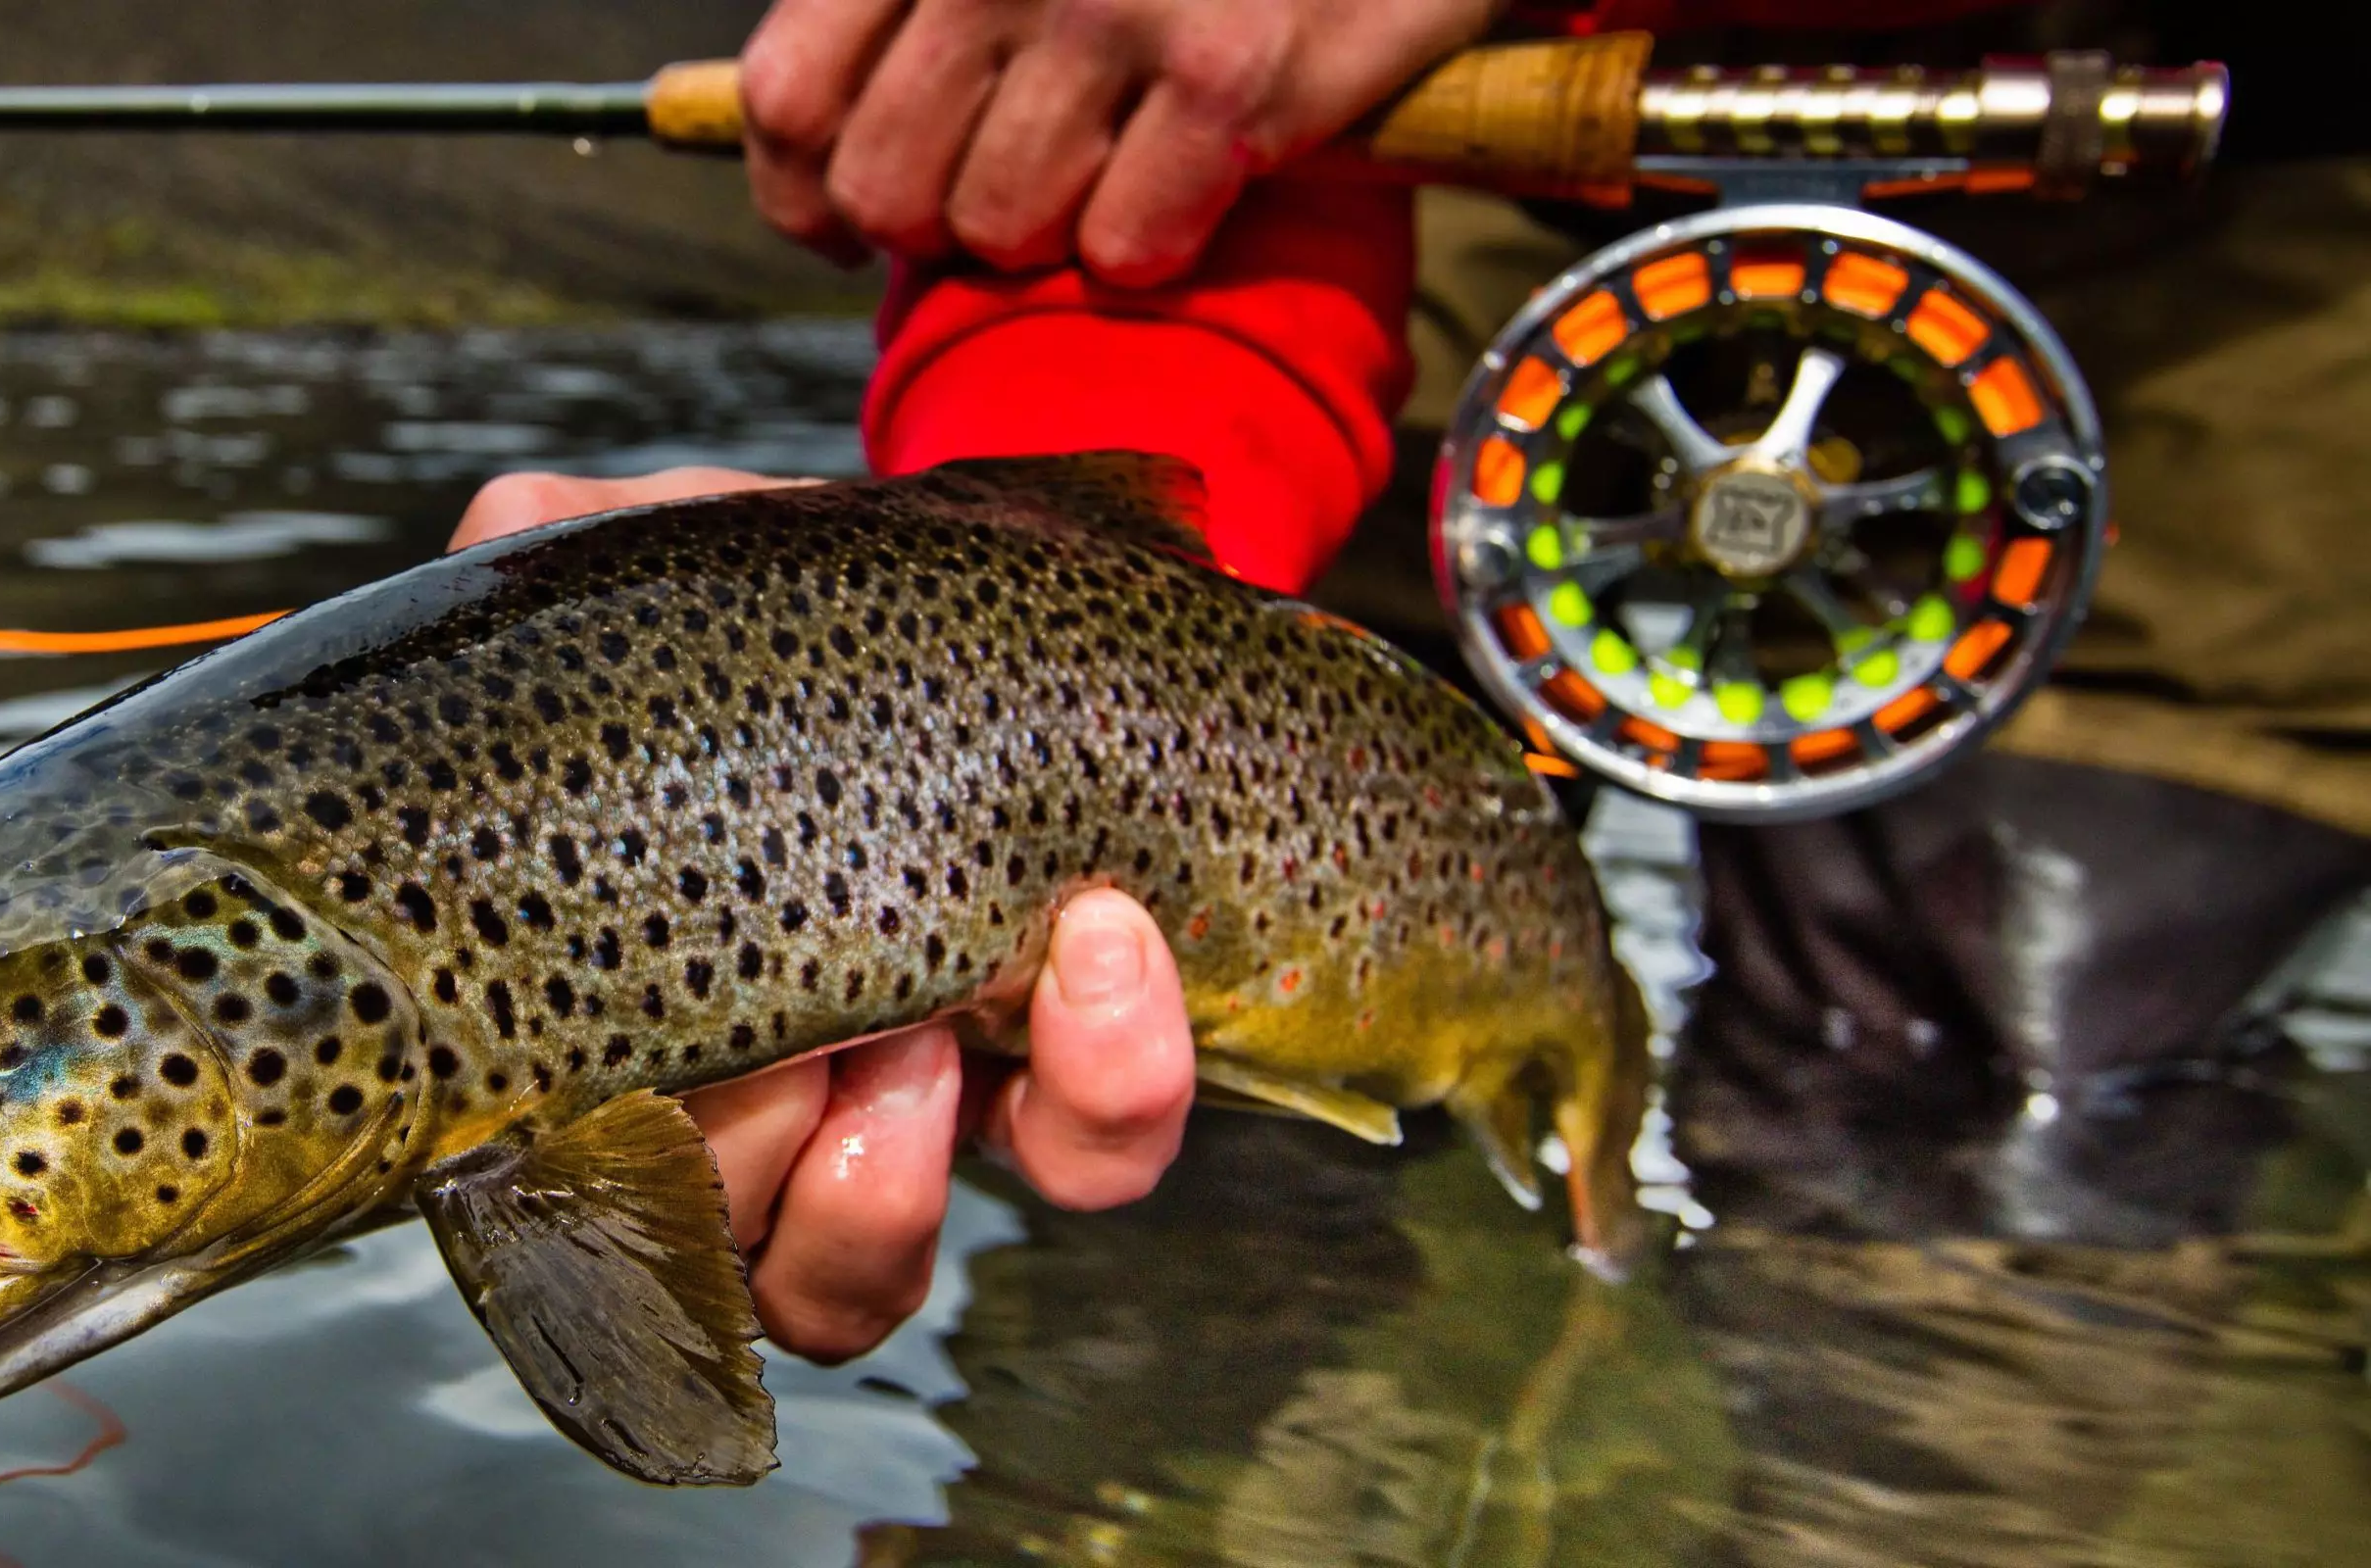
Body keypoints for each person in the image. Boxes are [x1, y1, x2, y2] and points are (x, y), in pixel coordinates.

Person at [454, 0, 2371, 1359]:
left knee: (2010, 1148)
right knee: (1179, 1193)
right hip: (1405, 140)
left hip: (2234, 202)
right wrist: (1014, 589)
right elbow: (1139, 95)